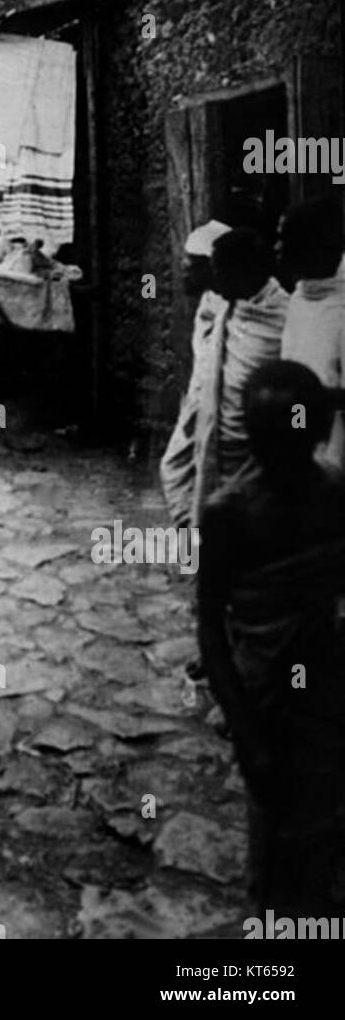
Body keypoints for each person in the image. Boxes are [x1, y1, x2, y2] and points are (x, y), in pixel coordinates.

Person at [198, 361, 345, 918]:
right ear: (251, 439)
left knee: (323, 837)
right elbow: (211, 631)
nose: (280, 462)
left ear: (314, 435)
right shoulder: (229, 513)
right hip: (267, 704)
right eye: (268, 444)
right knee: (276, 849)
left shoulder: (335, 495)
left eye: (293, 442)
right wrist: (246, 735)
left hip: (328, 690)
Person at [184, 228, 289, 527]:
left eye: (222, 272)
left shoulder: (282, 316)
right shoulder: (225, 308)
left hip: (257, 449)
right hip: (218, 438)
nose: (216, 281)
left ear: (244, 272)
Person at [160, 220, 232, 527]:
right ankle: (190, 532)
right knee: (173, 467)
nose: (184, 268)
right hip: (198, 405)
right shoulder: (209, 301)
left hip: (222, 410)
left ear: (212, 267)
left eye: (193, 262)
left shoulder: (234, 306)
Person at [277, 197, 345, 467]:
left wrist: (308, 394)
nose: (277, 247)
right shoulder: (299, 297)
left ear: (311, 245)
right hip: (302, 438)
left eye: (285, 238)